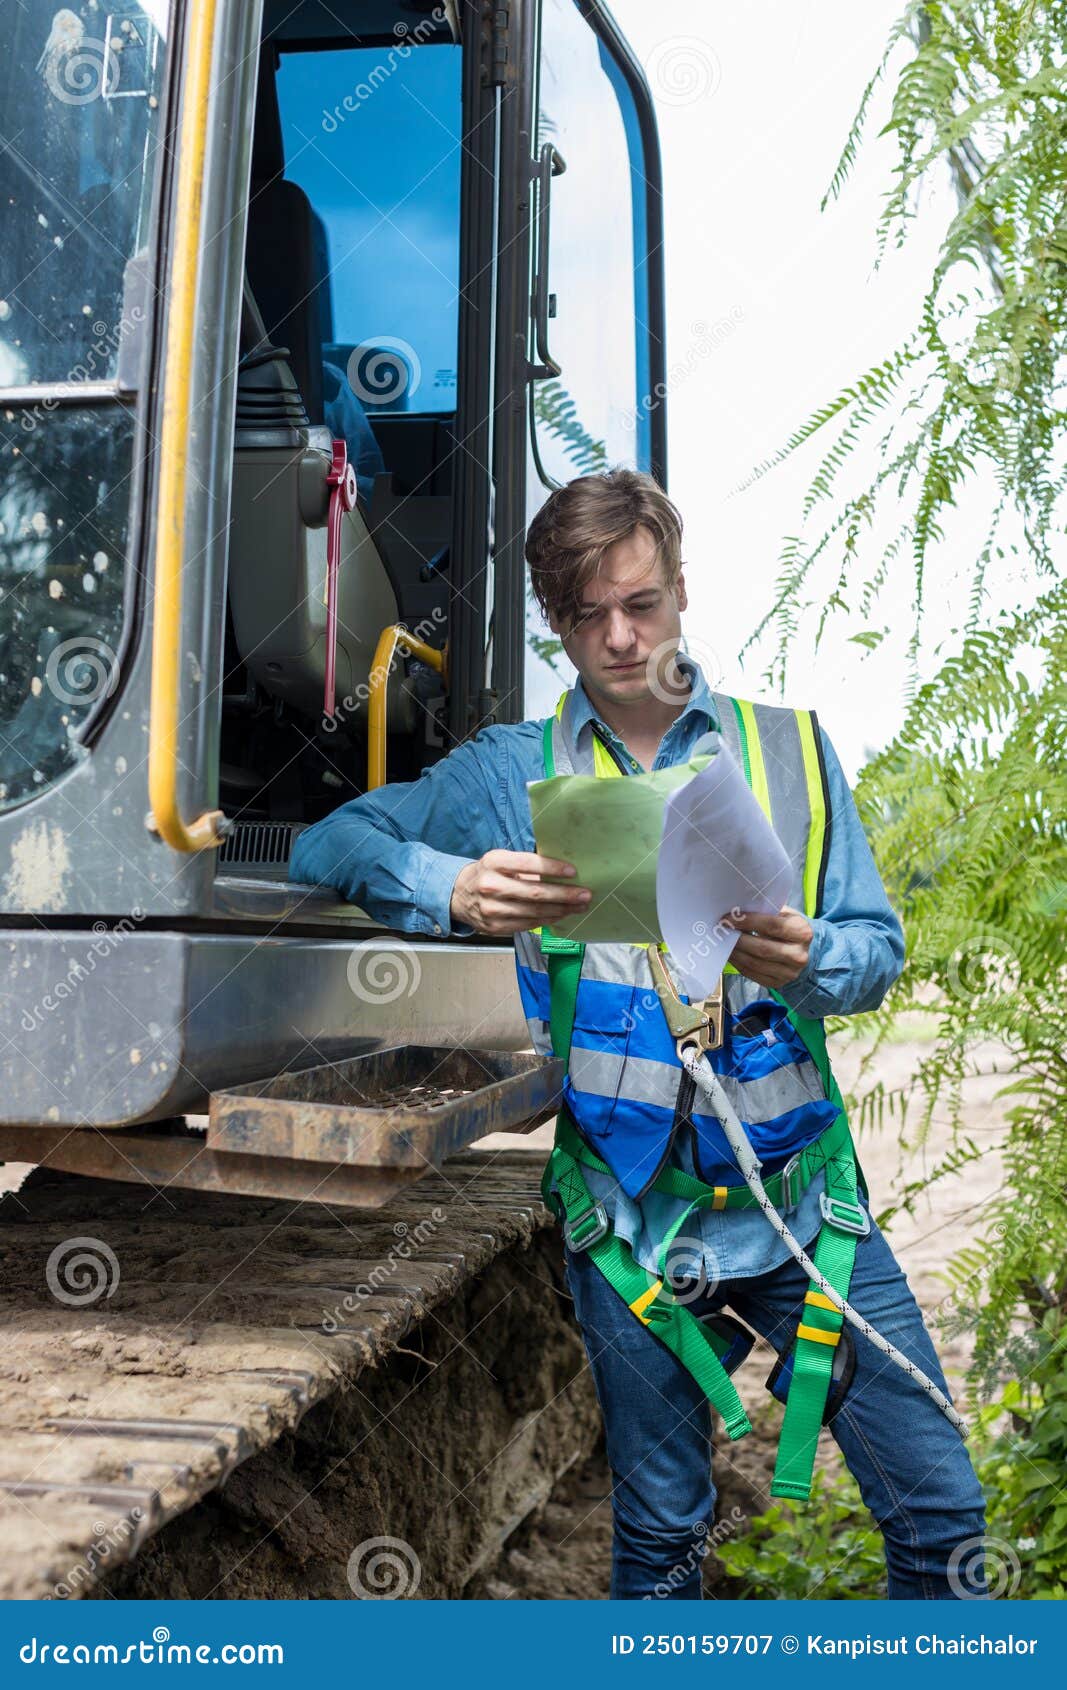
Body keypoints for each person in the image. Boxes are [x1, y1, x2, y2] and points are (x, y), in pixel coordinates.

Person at [290, 469, 987, 1601]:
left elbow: (875, 950)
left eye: (642, 604)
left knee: (943, 1518)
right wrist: (450, 882)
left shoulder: (791, 754)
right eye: (584, 616)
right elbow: (330, 842)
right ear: (553, 620)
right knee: (662, 1539)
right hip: (627, 1226)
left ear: (678, 589)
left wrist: (812, 959)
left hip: (805, 1207)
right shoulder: (507, 775)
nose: (618, 639)